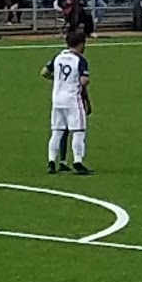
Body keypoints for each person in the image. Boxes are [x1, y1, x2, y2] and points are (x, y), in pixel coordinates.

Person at [43, 28, 92, 175]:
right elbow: (84, 80)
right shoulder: (80, 60)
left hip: (57, 99)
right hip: (72, 99)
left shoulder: (58, 57)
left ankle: (51, 161)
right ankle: (78, 161)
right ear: (80, 44)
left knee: (56, 131)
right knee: (78, 131)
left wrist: (57, 80)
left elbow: (44, 72)